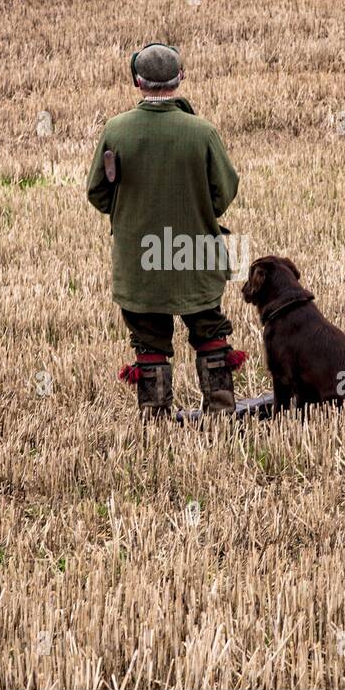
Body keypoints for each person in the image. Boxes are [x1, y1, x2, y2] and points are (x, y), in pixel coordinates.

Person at [86, 43, 244, 417]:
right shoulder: (202, 132)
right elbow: (226, 189)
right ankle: (221, 412)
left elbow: (97, 192)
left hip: (140, 258)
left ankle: (154, 417)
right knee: (210, 332)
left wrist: (129, 216)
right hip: (196, 251)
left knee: (149, 340)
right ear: (181, 79)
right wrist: (200, 213)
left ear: (138, 81)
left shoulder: (116, 131)